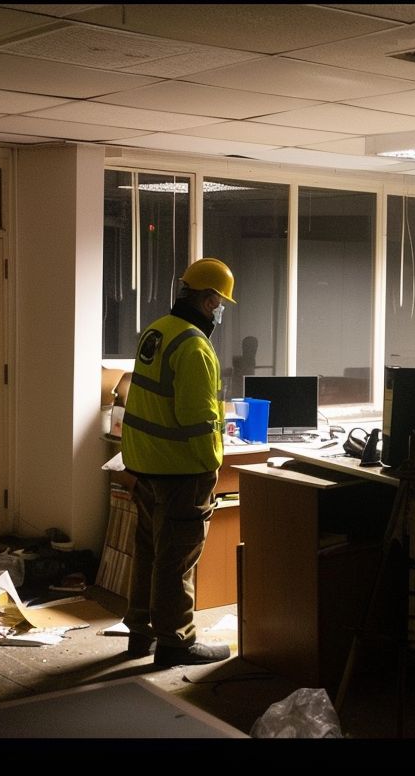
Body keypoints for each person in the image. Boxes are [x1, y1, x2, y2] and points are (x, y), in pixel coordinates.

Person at [120, 257, 236, 666]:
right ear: (209, 300)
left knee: (150, 553)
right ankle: (175, 642)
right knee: (177, 560)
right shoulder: (195, 347)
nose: (220, 312)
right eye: (220, 304)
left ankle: (140, 633)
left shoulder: (157, 331)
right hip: (182, 471)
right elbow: (198, 420)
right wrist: (212, 463)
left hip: (145, 464)